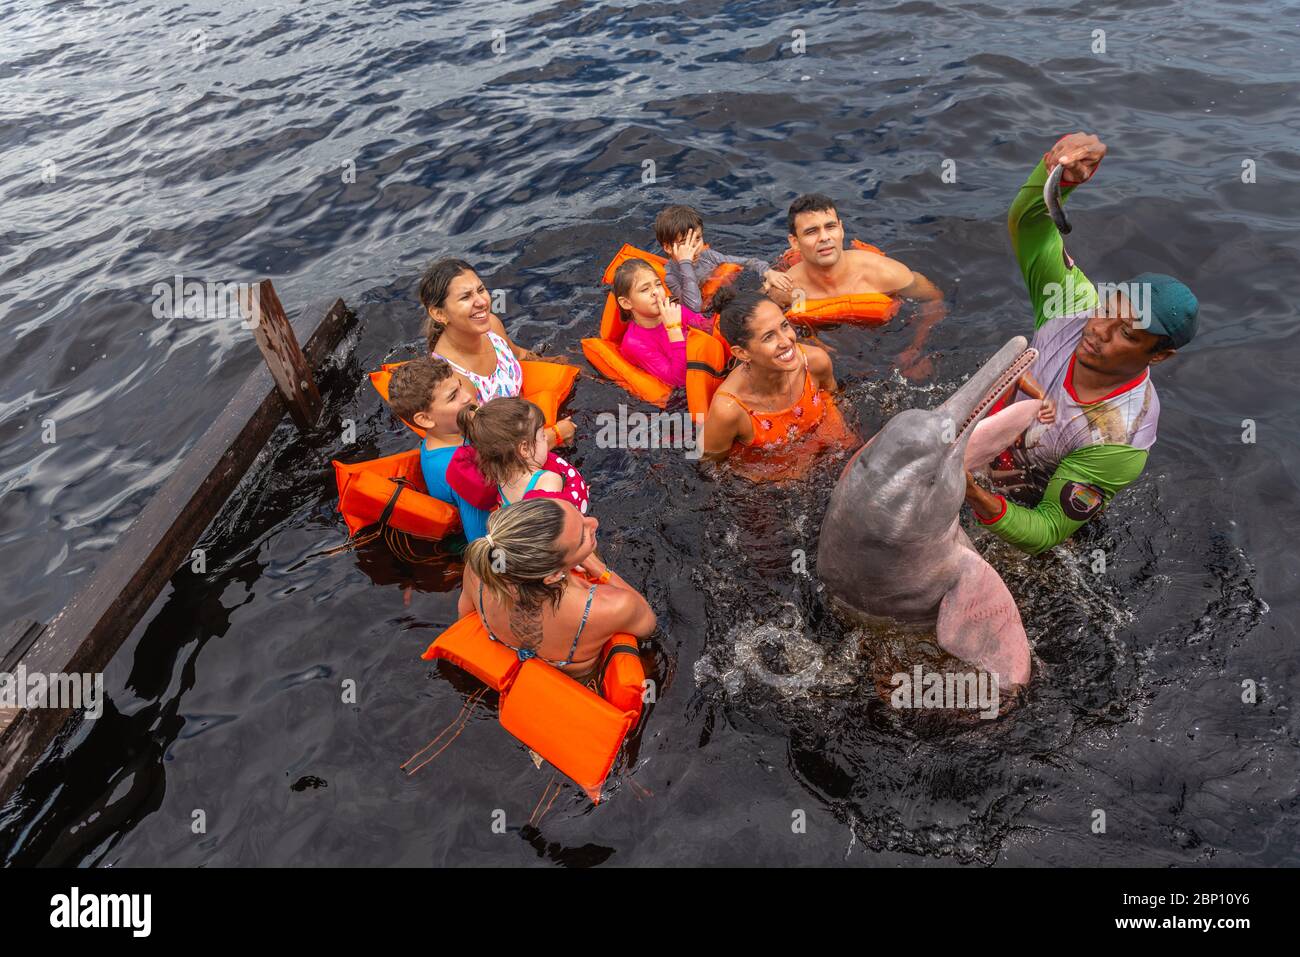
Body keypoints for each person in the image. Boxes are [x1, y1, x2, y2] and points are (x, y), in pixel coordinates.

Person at [963, 132, 1199, 555]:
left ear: (1159, 356)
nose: (1098, 331)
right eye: (1108, 310)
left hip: (1023, 504)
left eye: (1127, 334)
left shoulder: (1121, 438)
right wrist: (1059, 176)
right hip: (983, 446)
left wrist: (966, 491)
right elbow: (1030, 226)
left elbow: (1047, 529)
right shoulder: (1073, 307)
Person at [457, 499, 657, 683]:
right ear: (552, 576)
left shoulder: (477, 570)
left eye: (581, 515)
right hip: (572, 684)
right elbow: (648, 625)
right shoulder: (608, 608)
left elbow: (465, 617)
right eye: (582, 538)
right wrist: (600, 570)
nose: (593, 522)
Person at [762, 193, 946, 379]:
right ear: (795, 242)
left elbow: (933, 299)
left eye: (830, 227)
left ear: (841, 229)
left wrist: (916, 349)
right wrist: (807, 342)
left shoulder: (885, 274)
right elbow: (752, 320)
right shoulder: (787, 288)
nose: (824, 237)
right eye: (811, 232)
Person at [419, 257, 576, 444]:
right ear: (439, 314)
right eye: (465, 297)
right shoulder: (454, 381)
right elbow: (493, 446)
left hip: (530, 416)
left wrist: (563, 363)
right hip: (510, 446)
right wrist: (557, 434)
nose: (482, 302)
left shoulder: (491, 325)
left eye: (481, 290)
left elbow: (518, 354)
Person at [700, 286, 853, 474]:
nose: (787, 341)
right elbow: (710, 466)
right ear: (742, 353)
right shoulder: (729, 410)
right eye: (768, 337)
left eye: (784, 326)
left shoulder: (814, 363)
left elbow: (835, 398)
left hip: (822, 452)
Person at [386, 356, 493, 540]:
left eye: (460, 386)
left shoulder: (451, 432)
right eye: (453, 396)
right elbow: (482, 539)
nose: (467, 396)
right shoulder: (456, 469)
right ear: (425, 419)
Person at [456, 397, 591, 514]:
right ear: (524, 449)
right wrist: (573, 494)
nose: (546, 439)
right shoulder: (548, 481)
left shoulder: (502, 476)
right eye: (542, 436)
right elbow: (559, 524)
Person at [654, 204, 788, 313]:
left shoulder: (708, 256)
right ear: (668, 248)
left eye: (698, 239)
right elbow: (694, 306)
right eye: (685, 243)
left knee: (778, 287)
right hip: (710, 313)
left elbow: (749, 262)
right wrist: (685, 263)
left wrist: (768, 272)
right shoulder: (670, 276)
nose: (694, 248)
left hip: (729, 296)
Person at [612, 257, 714, 387]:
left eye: (658, 284)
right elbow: (680, 381)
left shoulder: (677, 310)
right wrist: (674, 329)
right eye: (645, 289)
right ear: (626, 303)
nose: (656, 292)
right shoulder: (635, 344)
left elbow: (708, 330)